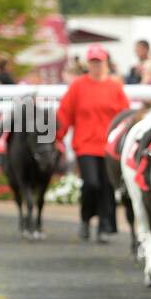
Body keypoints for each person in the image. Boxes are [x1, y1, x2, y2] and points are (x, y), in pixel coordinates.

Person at [56, 44, 131, 242]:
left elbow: (125, 117)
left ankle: (104, 226)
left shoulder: (115, 87)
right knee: (91, 183)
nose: (96, 66)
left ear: (106, 63)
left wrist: (125, 142)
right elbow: (64, 114)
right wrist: (57, 138)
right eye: (93, 62)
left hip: (108, 147)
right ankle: (86, 218)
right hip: (85, 145)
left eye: (99, 62)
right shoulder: (78, 87)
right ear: (88, 64)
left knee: (107, 186)